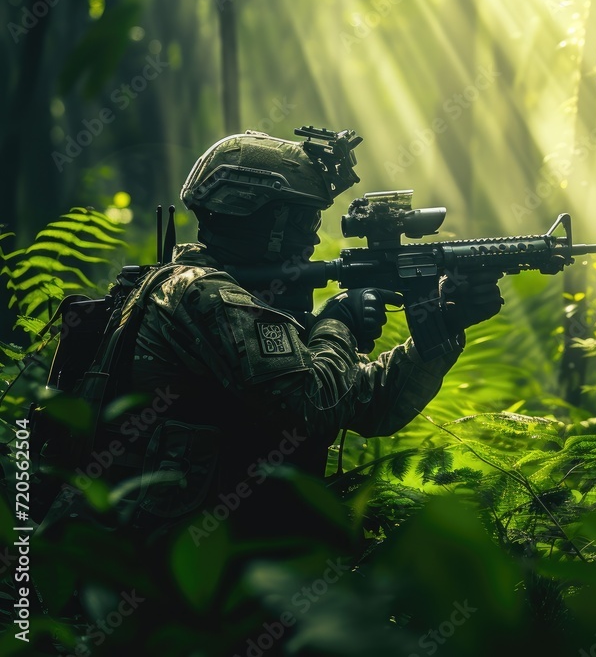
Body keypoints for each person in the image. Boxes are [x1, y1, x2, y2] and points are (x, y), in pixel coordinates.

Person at [83, 127, 504, 539]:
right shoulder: (205, 295)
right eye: (303, 220)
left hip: (224, 555)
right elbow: (309, 411)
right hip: (177, 568)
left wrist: (446, 323)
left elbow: (371, 406)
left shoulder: (237, 298)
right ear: (258, 215)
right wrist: (338, 322)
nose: (313, 236)